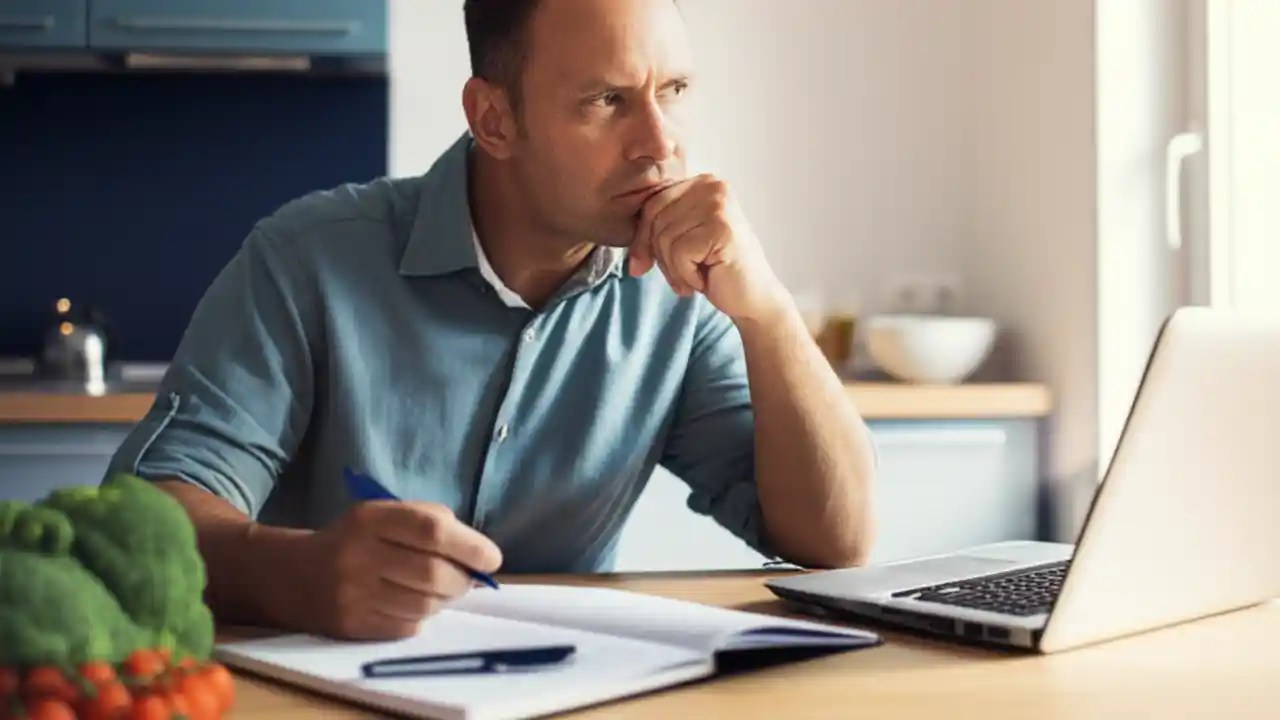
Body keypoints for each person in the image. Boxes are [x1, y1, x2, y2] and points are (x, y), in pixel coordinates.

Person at [106, 0, 878, 641]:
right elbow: (142, 524)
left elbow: (833, 542)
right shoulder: (307, 259)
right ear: (495, 119)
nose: (661, 143)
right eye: (608, 100)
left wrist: (768, 309)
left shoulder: (678, 292)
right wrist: (298, 576)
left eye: (672, 90)